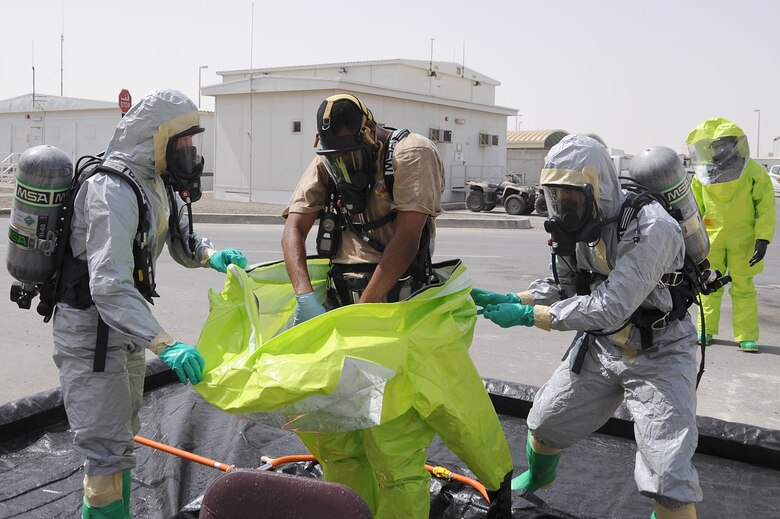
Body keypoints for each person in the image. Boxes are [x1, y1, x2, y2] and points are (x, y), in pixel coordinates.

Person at [281, 93, 513, 519]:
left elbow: (406, 240)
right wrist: (304, 296)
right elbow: (293, 228)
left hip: (400, 317)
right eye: (337, 158)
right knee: (338, 439)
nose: (346, 166)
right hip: (344, 312)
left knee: (397, 444)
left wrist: (363, 318)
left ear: (369, 134)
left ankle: (500, 483)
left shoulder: (411, 154)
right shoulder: (328, 160)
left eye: (353, 155)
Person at [473, 135, 702, 519]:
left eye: (571, 196)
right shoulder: (580, 229)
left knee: (668, 475)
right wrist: (516, 298)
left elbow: (610, 306)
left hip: (660, 351)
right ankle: (538, 477)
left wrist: (531, 317)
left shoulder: (652, 227)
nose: (563, 206)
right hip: (602, 348)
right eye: (556, 195)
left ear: (597, 190)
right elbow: (568, 287)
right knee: (545, 424)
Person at [52, 88, 247, 519]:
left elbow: (181, 239)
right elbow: (108, 286)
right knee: (104, 451)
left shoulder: (152, 181)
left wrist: (211, 255)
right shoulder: (112, 190)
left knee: (122, 438)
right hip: (91, 338)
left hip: (124, 332)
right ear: (155, 140)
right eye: (183, 144)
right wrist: (167, 343)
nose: (190, 154)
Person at [686, 117, 776, 353]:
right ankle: (705, 330)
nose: (719, 149)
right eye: (716, 145)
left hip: (743, 239)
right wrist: (691, 239)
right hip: (711, 238)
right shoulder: (703, 174)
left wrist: (763, 238)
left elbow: (765, 206)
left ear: (736, 144)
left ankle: (747, 336)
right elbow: (695, 208)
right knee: (708, 284)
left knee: (743, 286)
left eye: (724, 144)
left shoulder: (752, 171)